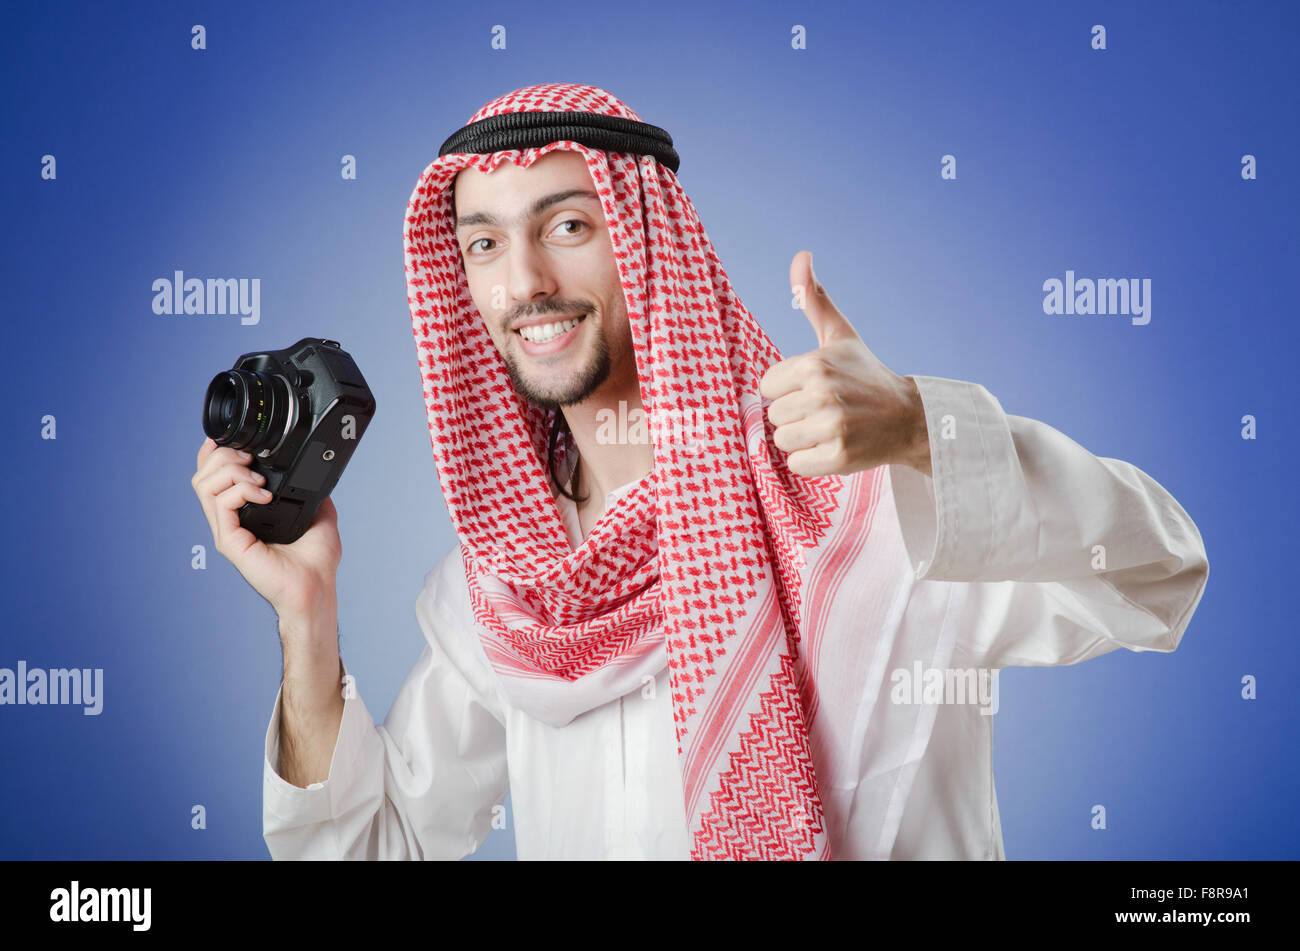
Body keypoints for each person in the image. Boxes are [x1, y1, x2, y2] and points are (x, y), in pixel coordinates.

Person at [191, 83, 1209, 860]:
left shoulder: (862, 499)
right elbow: (374, 849)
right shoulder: (501, 593)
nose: (527, 281)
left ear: (647, 243)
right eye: (486, 244)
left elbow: (1154, 576)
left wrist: (923, 435)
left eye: (568, 225)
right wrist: (307, 618)